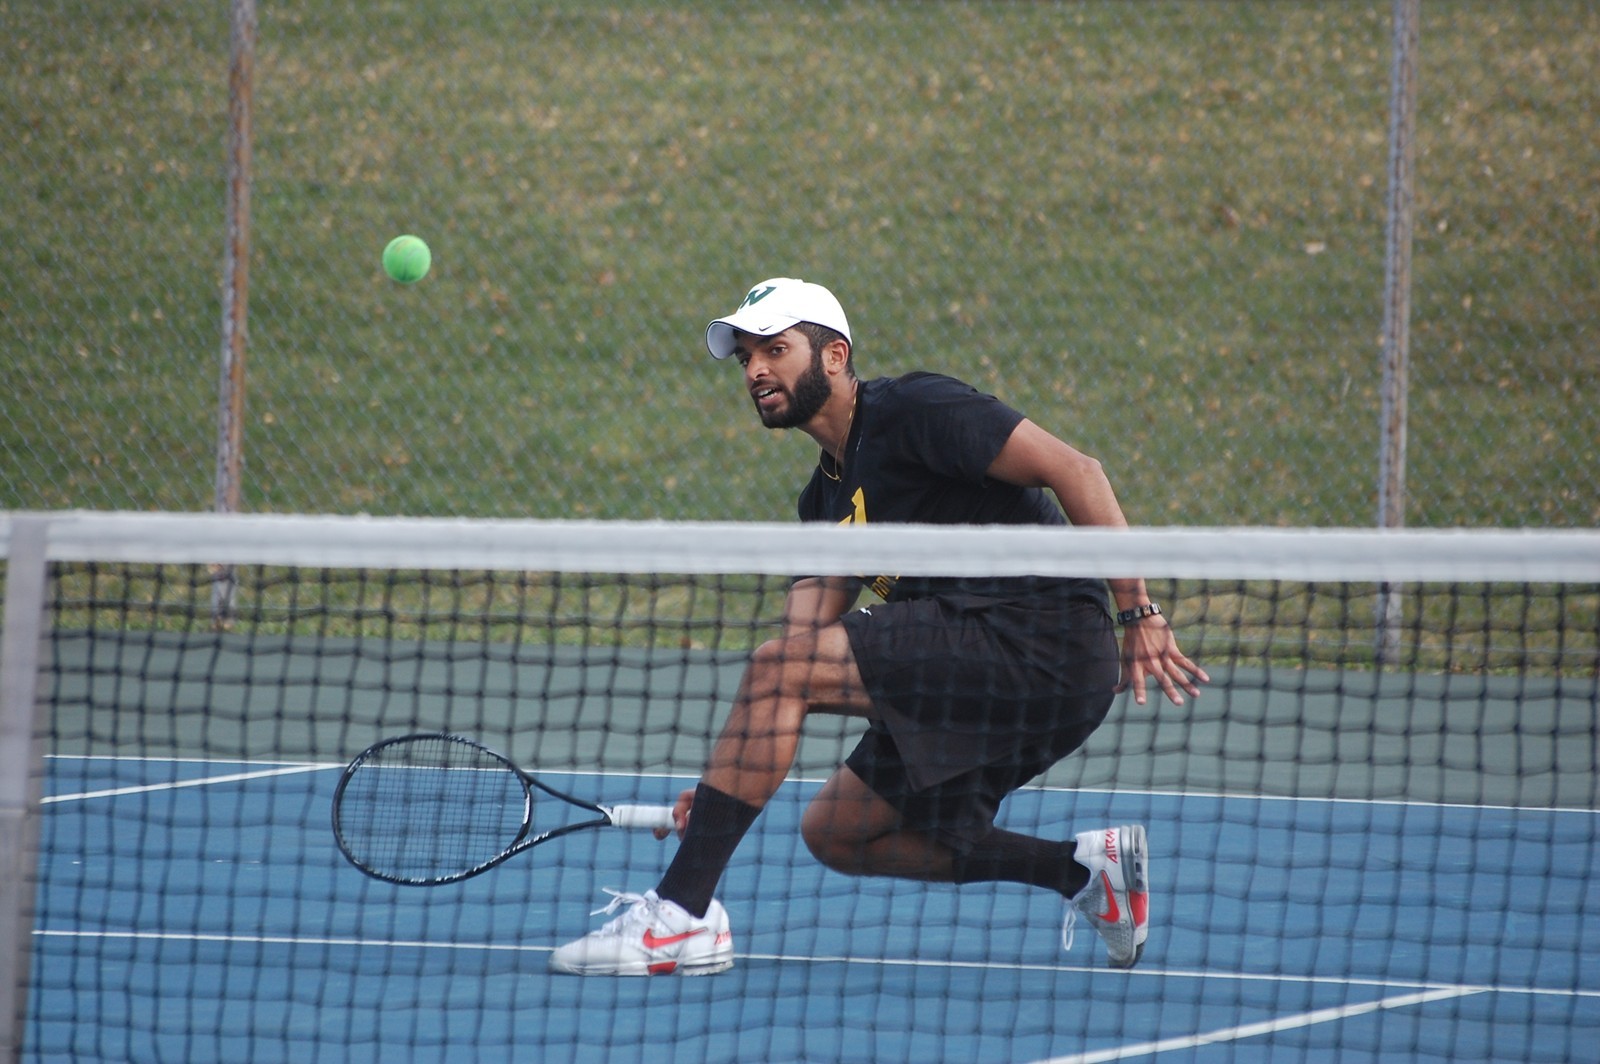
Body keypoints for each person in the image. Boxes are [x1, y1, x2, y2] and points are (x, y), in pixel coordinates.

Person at [549, 277, 1207, 976]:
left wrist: (1138, 610)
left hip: (1041, 637)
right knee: (838, 832)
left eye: (774, 349)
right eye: (745, 358)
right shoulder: (823, 502)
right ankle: (1081, 873)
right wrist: (722, 795)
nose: (756, 370)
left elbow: (1078, 471)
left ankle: (681, 915)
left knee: (780, 672)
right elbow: (799, 651)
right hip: (992, 671)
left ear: (834, 356)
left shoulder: (916, 410)